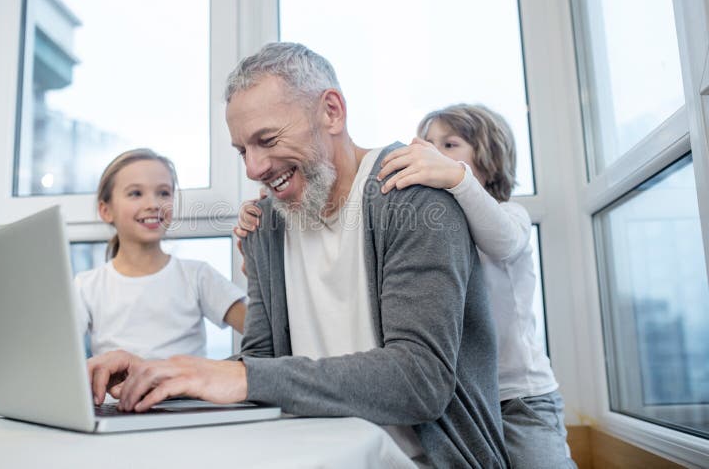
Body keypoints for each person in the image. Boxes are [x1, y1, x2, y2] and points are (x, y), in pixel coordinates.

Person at [85, 43, 510, 468]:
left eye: (267, 140)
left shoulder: (412, 195)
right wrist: (161, 376)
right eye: (241, 150)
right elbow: (261, 367)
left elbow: (419, 381)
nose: (253, 168)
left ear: (331, 112)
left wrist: (242, 375)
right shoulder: (266, 223)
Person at [0, 148, 247, 413]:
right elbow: (50, 356)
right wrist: (5, 386)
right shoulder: (87, 285)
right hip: (117, 410)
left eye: (164, 193)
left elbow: (260, 330)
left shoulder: (197, 275)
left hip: (186, 410)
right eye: (135, 193)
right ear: (105, 210)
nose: (153, 204)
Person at [374, 104, 574, 468]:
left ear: (488, 159)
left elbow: (502, 240)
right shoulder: (430, 229)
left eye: (449, 145)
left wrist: (455, 178)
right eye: (429, 143)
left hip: (520, 398)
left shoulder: (511, 215)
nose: (434, 152)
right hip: (465, 403)